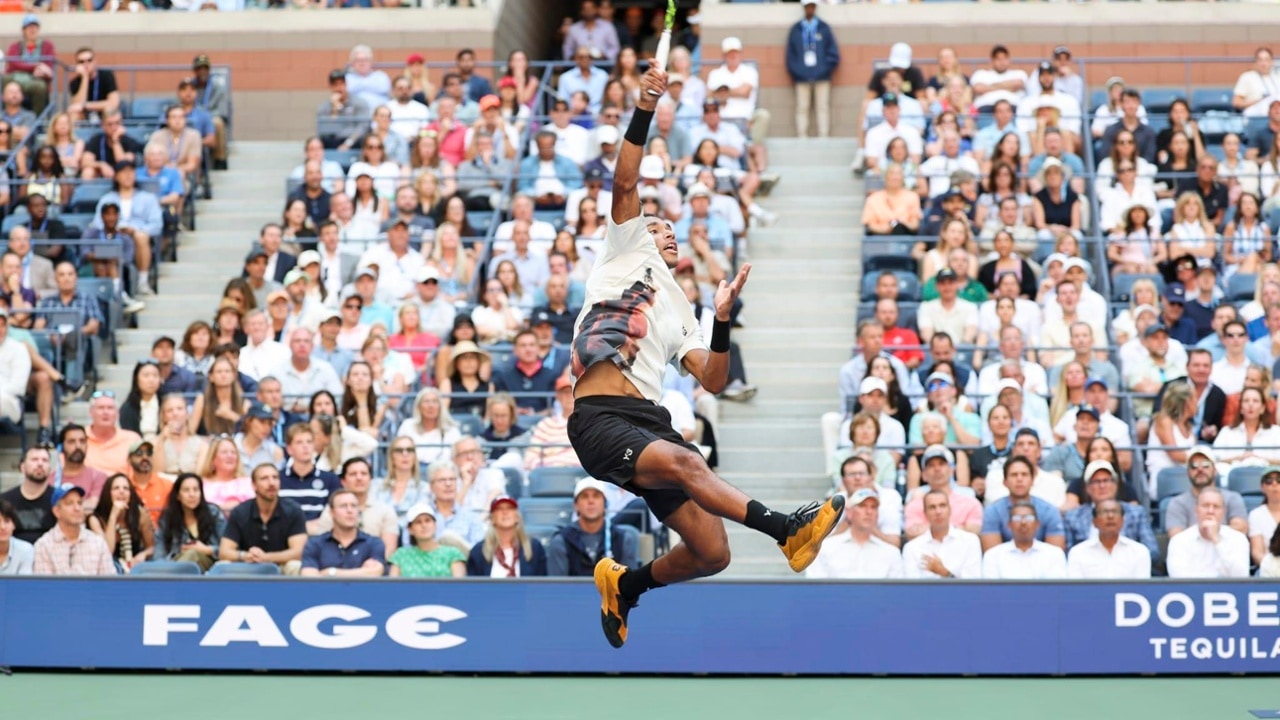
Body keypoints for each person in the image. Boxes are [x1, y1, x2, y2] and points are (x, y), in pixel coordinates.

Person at [570, 67, 842, 648]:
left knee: (712, 552)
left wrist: (720, 320)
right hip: (599, 415)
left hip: (647, 421)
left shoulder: (683, 308)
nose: (664, 232)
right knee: (691, 467)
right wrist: (645, 108)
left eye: (671, 229)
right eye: (656, 224)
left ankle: (626, 586)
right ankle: (786, 528)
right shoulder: (622, 250)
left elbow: (714, 381)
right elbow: (624, 181)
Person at [217, 464, 307, 575]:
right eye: (264, 478)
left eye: (275, 478)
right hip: (248, 565)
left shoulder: (293, 510)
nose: (271, 483)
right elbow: (224, 552)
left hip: (282, 564)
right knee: (222, 565)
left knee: (296, 566)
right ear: (254, 485)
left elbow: (299, 552)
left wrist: (266, 557)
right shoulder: (240, 512)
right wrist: (245, 556)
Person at [805, 488, 904, 579]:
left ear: (878, 514)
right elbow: (815, 589)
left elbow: (897, 593)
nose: (869, 512)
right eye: (862, 506)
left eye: (873, 507)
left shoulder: (891, 553)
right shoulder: (825, 549)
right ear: (849, 513)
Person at [548, 478, 640, 576]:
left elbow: (630, 583)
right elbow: (557, 587)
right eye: (584, 496)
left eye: (596, 496)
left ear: (605, 504)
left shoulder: (623, 539)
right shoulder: (561, 540)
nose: (591, 501)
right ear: (576, 505)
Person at [1165, 486, 1250, 578]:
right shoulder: (1179, 541)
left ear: (1223, 512)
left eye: (1216, 507)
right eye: (1205, 506)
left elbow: (1241, 576)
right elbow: (1178, 579)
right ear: (1196, 510)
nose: (1210, 511)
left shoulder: (1238, 539)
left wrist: (1216, 540)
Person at [300, 489, 387, 578]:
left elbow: (376, 572)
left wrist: (330, 572)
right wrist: (361, 572)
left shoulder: (373, 543)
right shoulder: (315, 544)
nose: (350, 511)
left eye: (354, 506)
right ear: (331, 512)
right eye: (343, 506)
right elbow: (309, 576)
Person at [785, 0, 840, 139]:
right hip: (801, 77)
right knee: (802, 107)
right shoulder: (796, 29)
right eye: (807, 6)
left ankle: (823, 136)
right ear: (804, 8)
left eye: (812, 6)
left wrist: (823, 70)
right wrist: (800, 72)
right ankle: (801, 135)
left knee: (822, 107)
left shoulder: (824, 28)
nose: (810, 9)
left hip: (822, 77)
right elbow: (790, 56)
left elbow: (833, 54)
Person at [32, 485, 114, 576]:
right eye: (70, 503)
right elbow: (44, 587)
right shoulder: (43, 545)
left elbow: (109, 585)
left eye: (80, 503)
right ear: (56, 511)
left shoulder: (98, 543)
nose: (77, 508)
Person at [901, 490, 983, 579]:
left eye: (942, 505)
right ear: (925, 513)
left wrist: (945, 573)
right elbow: (911, 589)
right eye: (932, 507)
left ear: (950, 510)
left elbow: (972, 587)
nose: (938, 511)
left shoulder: (970, 541)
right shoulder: (912, 548)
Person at [1065, 498, 1153, 579]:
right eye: (1104, 512)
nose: (1110, 516)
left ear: (1123, 520)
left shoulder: (1139, 551)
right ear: (1094, 522)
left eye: (1115, 512)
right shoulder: (1078, 552)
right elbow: (1075, 591)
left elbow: (1142, 589)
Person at [154, 474, 226, 572]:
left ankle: (168, 583)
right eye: (186, 490)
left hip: (209, 563)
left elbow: (228, 548)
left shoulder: (214, 513)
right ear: (178, 496)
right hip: (175, 562)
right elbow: (159, 552)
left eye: (196, 490)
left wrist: (207, 549)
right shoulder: (168, 517)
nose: (192, 494)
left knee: (192, 553)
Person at [982, 500, 1067, 579]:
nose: (1023, 522)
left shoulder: (1054, 554)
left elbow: (1056, 590)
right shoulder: (993, 555)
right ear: (1009, 525)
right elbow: (991, 591)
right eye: (1017, 518)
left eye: (1029, 518)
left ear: (1037, 524)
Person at [466, 495, 548, 577]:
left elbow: (542, 585)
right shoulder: (479, 552)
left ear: (517, 517)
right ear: (492, 519)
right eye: (499, 509)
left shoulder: (534, 548)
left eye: (510, 508)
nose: (505, 512)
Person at [88, 473, 155, 572]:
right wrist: (113, 516)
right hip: (108, 568)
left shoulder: (140, 514)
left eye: (126, 488)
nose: (121, 491)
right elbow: (107, 552)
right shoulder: (95, 519)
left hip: (136, 566)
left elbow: (152, 547)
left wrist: (143, 555)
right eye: (116, 488)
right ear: (108, 493)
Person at [388, 504, 467, 578]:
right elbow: (392, 587)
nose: (424, 525)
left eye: (428, 520)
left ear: (435, 525)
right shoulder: (400, 555)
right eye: (418, 522)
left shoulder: (452, 554)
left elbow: (459, 587)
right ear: (410, 529)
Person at [0, 445, 54, 544]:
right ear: (22, 467)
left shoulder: (59, 499)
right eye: (34, 459)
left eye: (45, 460)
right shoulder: (4, 500)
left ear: (50, 468)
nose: (40, 464)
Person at [0, 499, 34, 575]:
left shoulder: (25, 550)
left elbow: (24, 584)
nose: (2, 527)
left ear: (14, 525)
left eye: (7, 521)